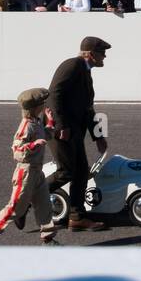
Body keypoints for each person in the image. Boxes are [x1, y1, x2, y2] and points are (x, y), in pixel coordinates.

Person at [0, 88, 60, 246]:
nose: (44, 106)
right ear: (35, 107)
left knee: (44, 206)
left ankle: (48, 239)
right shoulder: (26, 126)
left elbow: (46, 135)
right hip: (26, 173)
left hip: (37, 172)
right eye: (42, 104)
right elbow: (17, 150)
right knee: (15, 208)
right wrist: (33, 145)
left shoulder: (36, 122)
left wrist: (50, 122)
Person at [46, 37, 111, 232]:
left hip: (74, 131)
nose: (105, 57)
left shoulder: (85, 72)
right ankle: (26, 198)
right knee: (66, 172)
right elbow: (53, 94)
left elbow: (87, 109)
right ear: (91, 54)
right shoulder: (72, 65)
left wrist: (98, 137)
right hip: (62, 130)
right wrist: (60, 125)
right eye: (102, 53)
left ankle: (77, 217)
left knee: (82, 171)